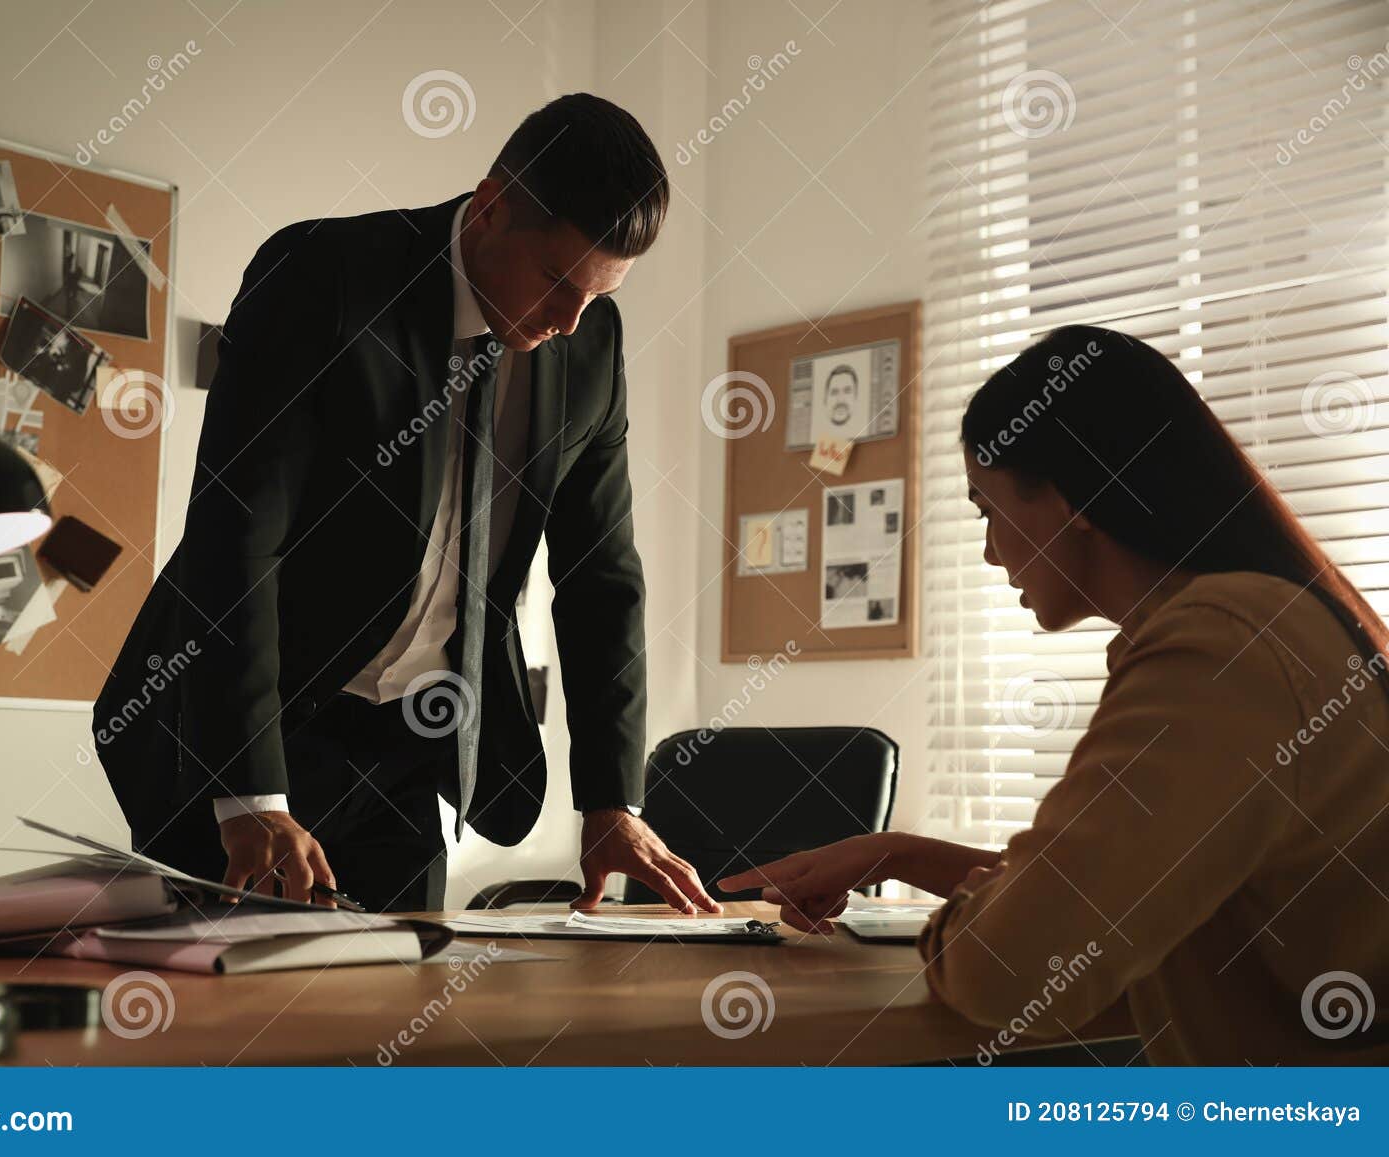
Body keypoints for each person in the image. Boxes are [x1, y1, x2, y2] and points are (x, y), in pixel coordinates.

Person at [94, 94, 721, 917]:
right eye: (558, 282)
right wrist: (249, 794)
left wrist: (613, 803)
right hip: (249, 731)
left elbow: (603, 577)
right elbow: (237, 533)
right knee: (232, 1024)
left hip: (415, 747)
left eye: (597, 295)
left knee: (402, 1017)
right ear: (492, 207)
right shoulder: (326, 275)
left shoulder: (592, 345)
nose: (570, 321)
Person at [723, 325, 1389, 1064]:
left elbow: (1009, 970)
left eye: (987, 508)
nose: (986, 549)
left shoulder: (1221, 647)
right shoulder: (1266, 622)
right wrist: (898, 852)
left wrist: (974, 916)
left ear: (1070, 498)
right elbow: (1120, 882)